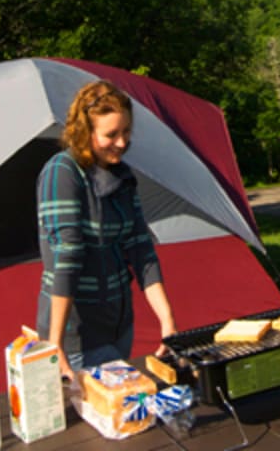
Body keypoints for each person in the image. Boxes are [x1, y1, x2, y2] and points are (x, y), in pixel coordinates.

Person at [36, 79, 176, 380]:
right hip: (76, 338)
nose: (122, 143)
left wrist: (167, 322)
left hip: (118, 325)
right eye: (111, 134)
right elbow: (67, 256)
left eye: (126, 131)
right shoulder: (62, 172)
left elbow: (141, 249)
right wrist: (55, 344)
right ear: (84, 132)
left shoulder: (122, 176)